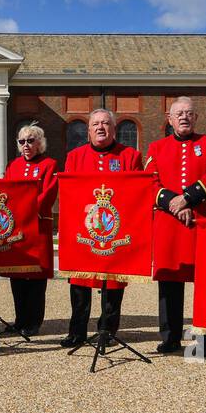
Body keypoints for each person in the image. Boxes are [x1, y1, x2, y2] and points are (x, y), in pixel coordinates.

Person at [145, 96, 206, 353]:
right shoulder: (156, 147)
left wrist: (188, 199)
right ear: (169, 119)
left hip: (202, 220)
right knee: (169, 279)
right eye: (179, 113)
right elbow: (150, 182)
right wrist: (174, 202)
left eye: (189, 113)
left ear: (196, 118)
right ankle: (170, 336)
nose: (184, 117)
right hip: (169, 223)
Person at [60, 108, 144, 347]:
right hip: (83, 232)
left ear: (113, 129)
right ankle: (76, 331)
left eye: (105, 123)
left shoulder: (130, 156)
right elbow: (69, 194)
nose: (100, 127)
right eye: (95, 124)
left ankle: (107, 330)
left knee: (113, 285)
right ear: (88, 130)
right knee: (79, 283)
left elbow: (137, 194)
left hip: (115, 232)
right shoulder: (75, 157)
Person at [3, 122, 57, 336]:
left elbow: (48, 193)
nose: (26, 145)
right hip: (16, 228)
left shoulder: (49, 164)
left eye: (30, 140)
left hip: (37, 226)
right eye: (22, 141)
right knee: (17, 277)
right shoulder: (13, 166)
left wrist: (26, 210)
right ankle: (19, 319)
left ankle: (34, 321)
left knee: (35, 278)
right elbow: (6, 191)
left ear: (39, 143)